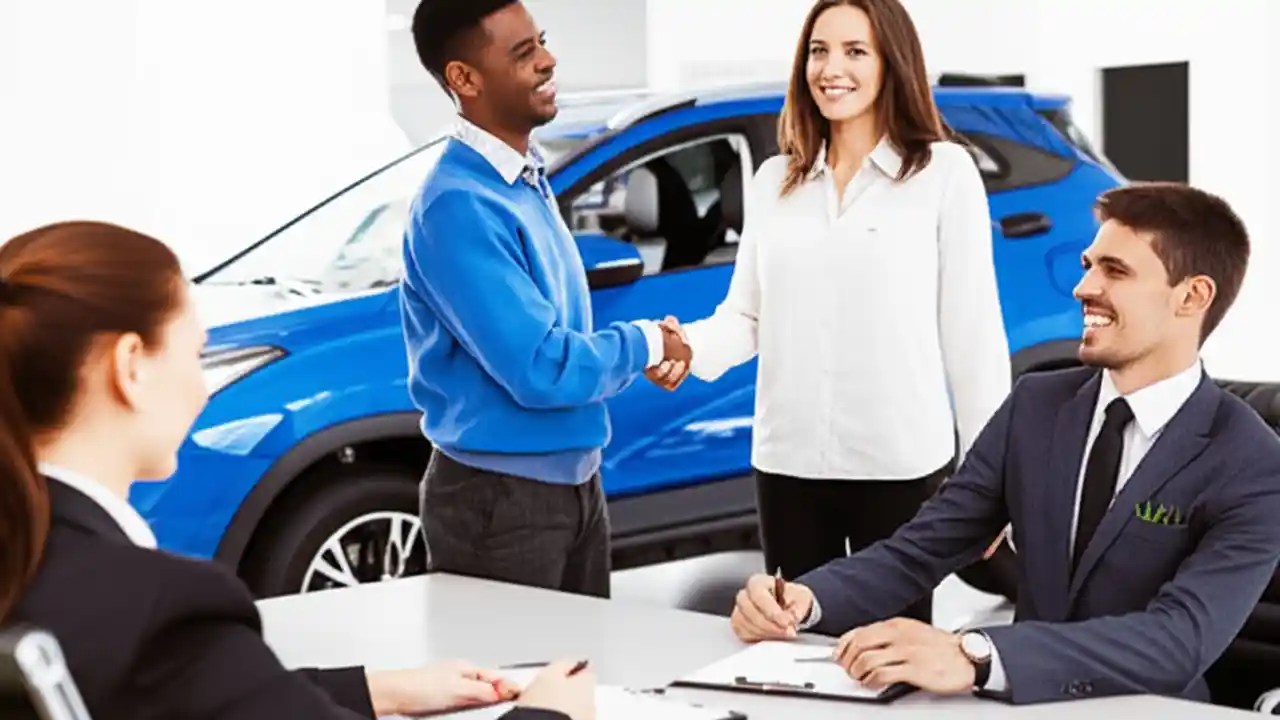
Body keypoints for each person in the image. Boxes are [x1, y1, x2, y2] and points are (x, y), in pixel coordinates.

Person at [0, 221, 593, 720]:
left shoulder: (31, 564)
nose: (202, 388)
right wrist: (549, 714)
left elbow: (187, 693)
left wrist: (379, 690)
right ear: (131, 367)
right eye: (196, 352)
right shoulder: (159, 609)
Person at [728, 183, 1280, 705]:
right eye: (1089, 265)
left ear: (1192, 296)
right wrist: (805, 600)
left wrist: (976, 655)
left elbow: (1178, 640)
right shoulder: (1037, 405)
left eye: (1115, 271)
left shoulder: (1252, 463)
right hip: (1019, 708)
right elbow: (921, 548)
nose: (1084, 287)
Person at [650, 0, 1011, 624]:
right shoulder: (774, 181)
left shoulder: (943, 174)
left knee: (888, 653)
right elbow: (747, 316)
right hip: (787, 467)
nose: (830, 68)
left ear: (891, 63)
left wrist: (990, 488)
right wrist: (689, 349)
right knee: (794, 649)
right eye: (819, 51)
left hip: (900, 470)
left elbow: (973, 340)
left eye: (854, 51)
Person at [401, 0, 688, 600]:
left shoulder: (522, 179)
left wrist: (637, 352)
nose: (549, 60)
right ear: (464, 78)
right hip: (501, 503)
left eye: (542, 41)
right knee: (513, 666)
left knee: (581, 662)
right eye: (523, 52)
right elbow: (540, 367)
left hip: (570, 487)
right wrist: (645, 343)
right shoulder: (458, 204)